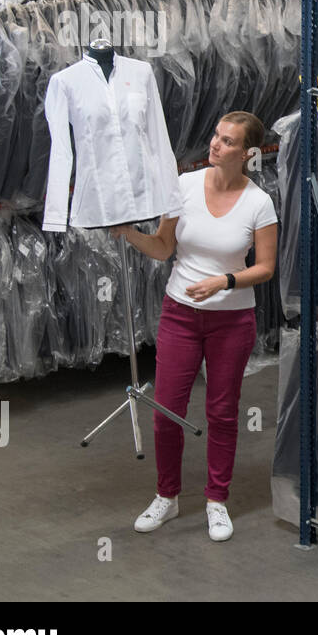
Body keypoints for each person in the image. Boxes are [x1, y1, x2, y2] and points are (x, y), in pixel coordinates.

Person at [113, 111, 278, 542]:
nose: (215, 145)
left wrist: (224, 280)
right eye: (216, 136)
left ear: (246, 153)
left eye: (227, 141)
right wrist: (131, 233)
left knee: (222, 413)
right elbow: (164, 247)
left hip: (232, 320)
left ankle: (216, 500)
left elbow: (265, 268)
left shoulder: (259, 203)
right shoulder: (183, 187)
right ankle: (166, 497)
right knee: (167, 409)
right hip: (180, 314)